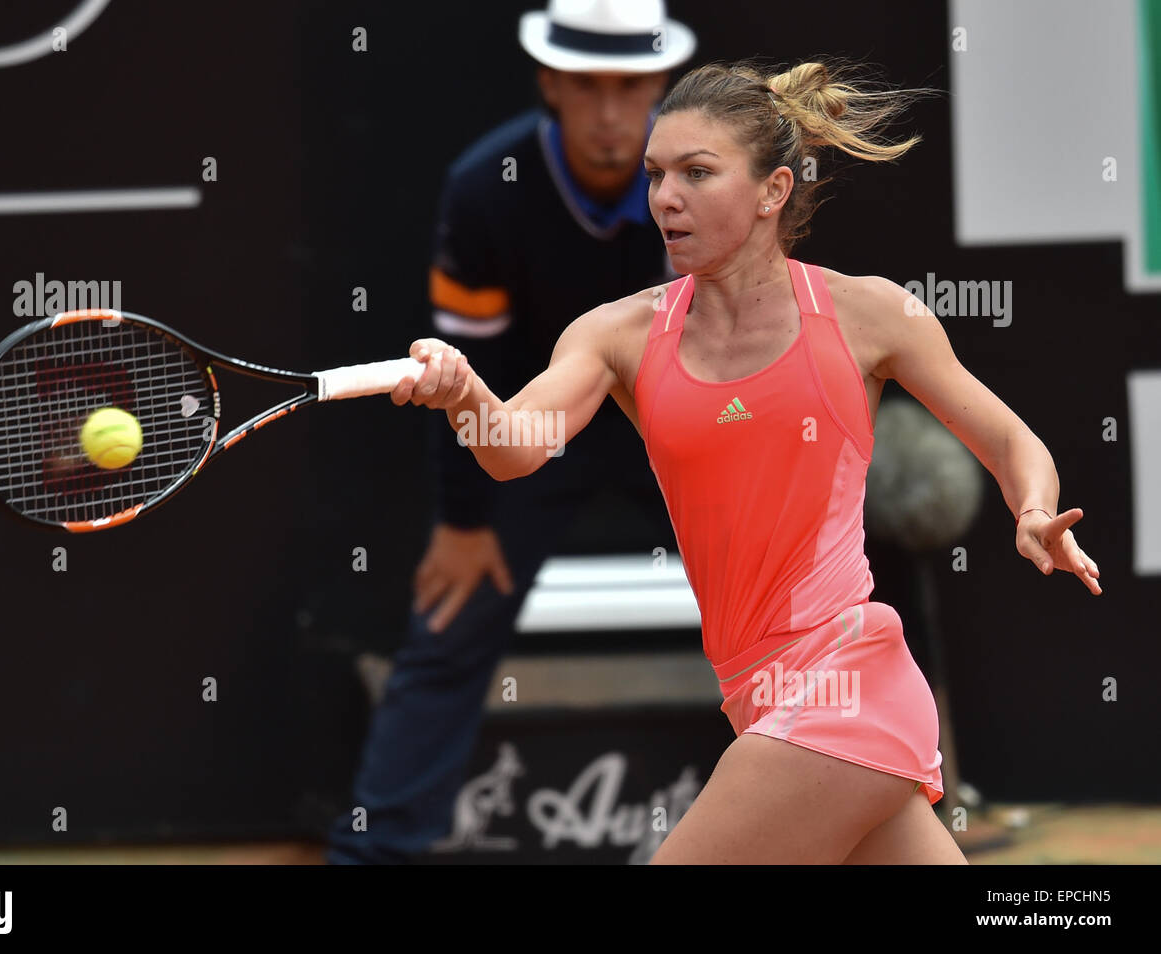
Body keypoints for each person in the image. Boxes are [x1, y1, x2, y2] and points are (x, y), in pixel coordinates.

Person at [391, 57, 1104, 864]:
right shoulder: (615, 335)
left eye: (697, 173)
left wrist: (1034, 510)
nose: (665, 197)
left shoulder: (870, 313)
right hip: (756, 696)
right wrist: (465, 395)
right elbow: (513, 449)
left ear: (774, 191)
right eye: (657, 174)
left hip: (847, 688)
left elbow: (1009, 440)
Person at [326, 0, 697, 864]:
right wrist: (463, 521)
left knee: (810, 608)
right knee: (452, 617)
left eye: (630, 86)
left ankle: (895, 807)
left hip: (681, 428)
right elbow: (467, 372)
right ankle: (375, 855)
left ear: (660, 84)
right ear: (550, 84)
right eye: (587, 86)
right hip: (531, 425)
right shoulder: (483, 189)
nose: (610, 113)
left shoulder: (708, 180)